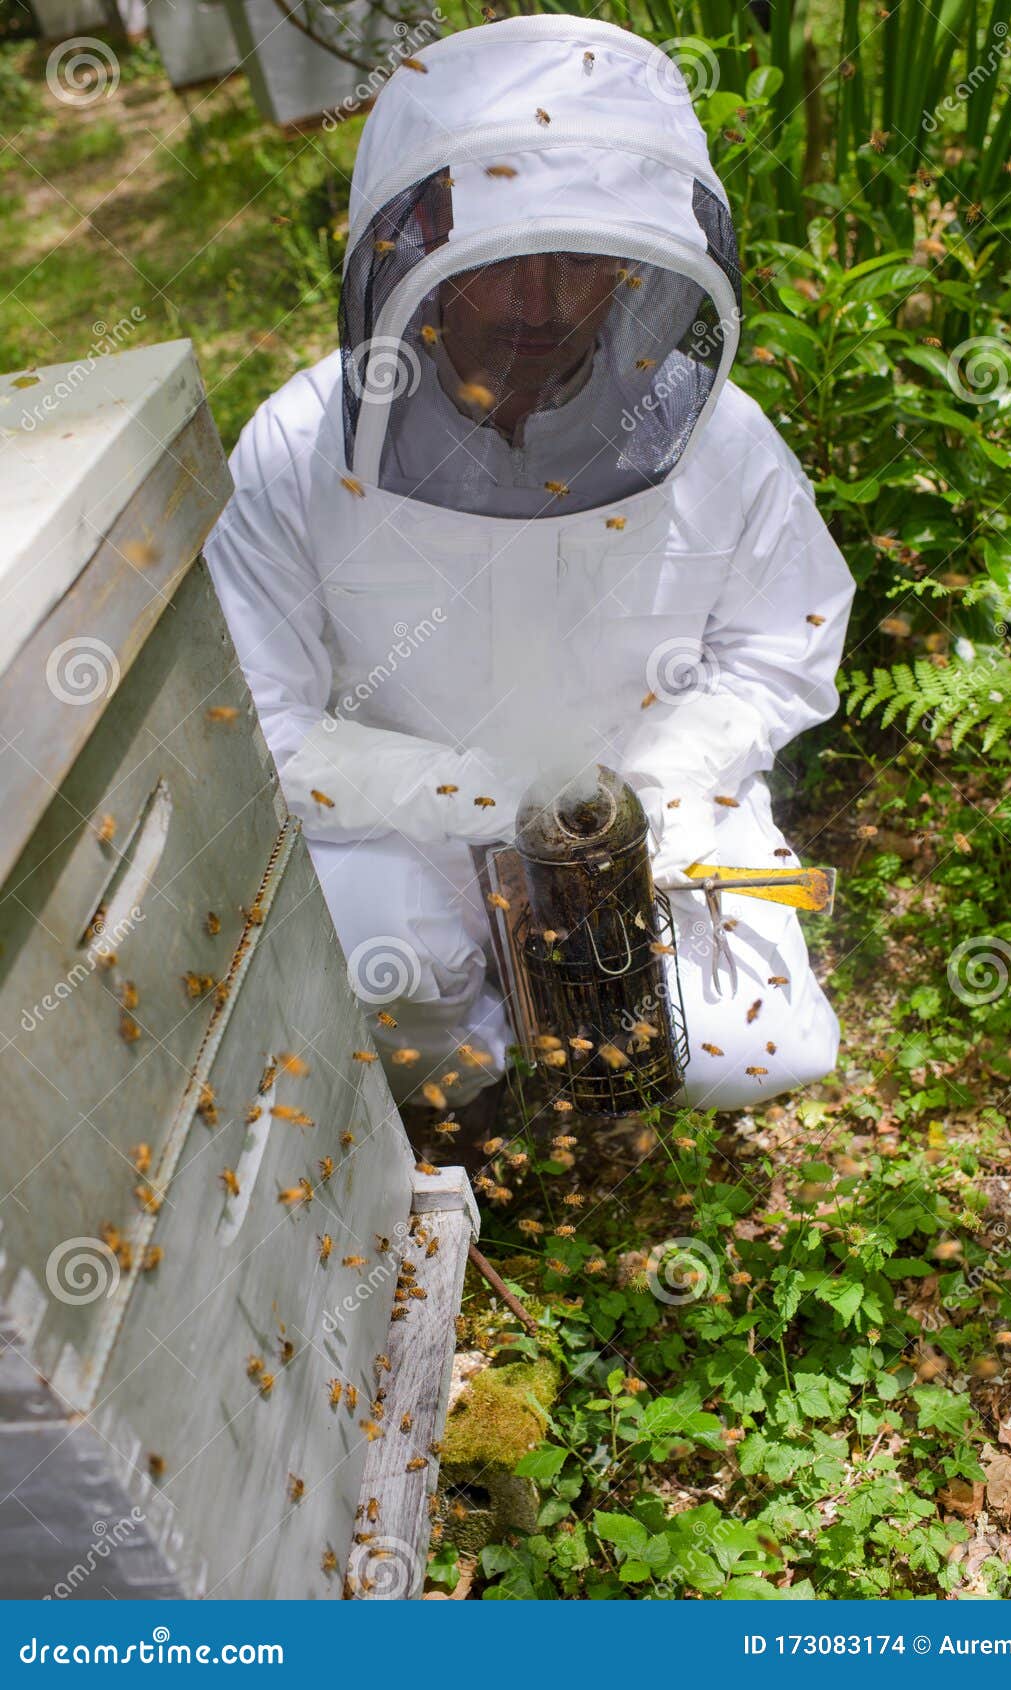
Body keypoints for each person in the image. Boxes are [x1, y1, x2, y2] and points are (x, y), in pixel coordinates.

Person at [205, 14, 855, 1145]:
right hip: (406, 843)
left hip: (642, 821)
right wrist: (479, 801)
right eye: (506, 263)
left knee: (759, 1045)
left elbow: (778, 644)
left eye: (583, 257)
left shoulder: (724, 440)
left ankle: (603, 1039)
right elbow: (265, 724)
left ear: (644, 259)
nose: (544, 305)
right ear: (416, 244)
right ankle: (482, 1070)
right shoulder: (293, 450)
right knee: (386, 973)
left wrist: (643, 791)